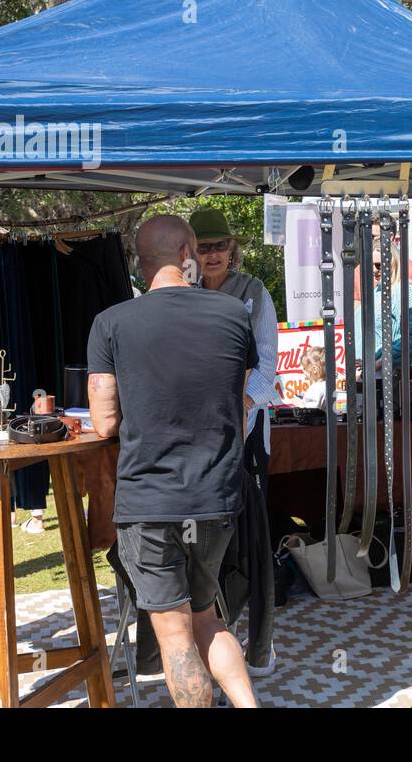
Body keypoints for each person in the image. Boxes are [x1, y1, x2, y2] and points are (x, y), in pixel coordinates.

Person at [88, 215, 258, 708]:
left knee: (175, 634)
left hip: (151, 499)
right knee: (206, 615)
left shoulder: (111, 322)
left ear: (139, 261)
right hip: (215, 496)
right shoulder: (232, 314)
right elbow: (237, 402)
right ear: (187, 250)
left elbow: (103, 423)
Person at [189, 209, 280, 484]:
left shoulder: (254, 291)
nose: (213, 254)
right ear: (191, 252)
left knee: (245, 505)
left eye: (221, 245)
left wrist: (243, 403)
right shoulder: (184, 294)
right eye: (204, 247)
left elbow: (267, 359)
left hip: (246, 417)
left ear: (232, 250)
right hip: (196, 420)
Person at [354, 222, 412, 360]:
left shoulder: (408, 288)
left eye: (379, 265)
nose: (374, 270)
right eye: (371, 265)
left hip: (392, 374)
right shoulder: (375, 288)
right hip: (369, 371)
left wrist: (381, 362)